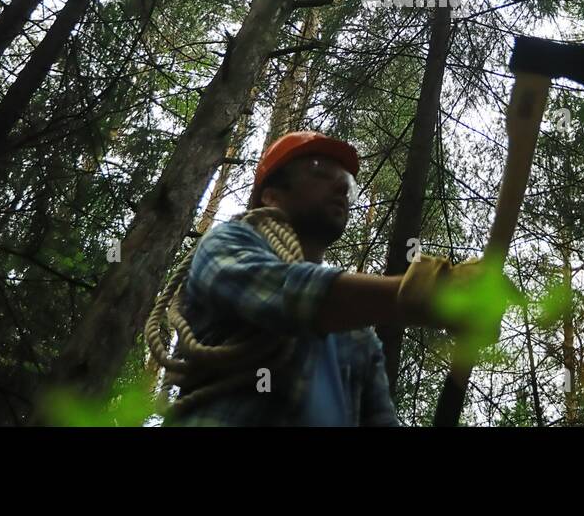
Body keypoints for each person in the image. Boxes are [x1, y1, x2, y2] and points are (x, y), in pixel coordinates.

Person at [170, 130, 481, 426]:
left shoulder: (358, 335)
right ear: (272, 196)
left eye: (347, 182)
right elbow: (289, 292)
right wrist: (430, 292)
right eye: (319, 172)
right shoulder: (225, 244)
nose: (343, 188)